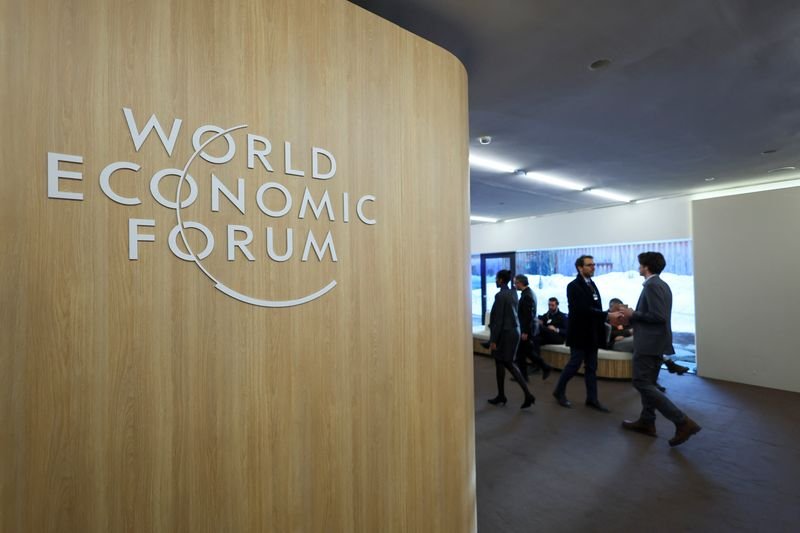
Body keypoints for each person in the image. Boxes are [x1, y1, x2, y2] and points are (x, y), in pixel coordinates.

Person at [617, 252, 701, 447]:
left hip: (648, 343)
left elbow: (658, 316)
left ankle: (682, 421)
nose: (638, 267)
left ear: (646, 266)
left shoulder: (653, 285)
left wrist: (632, 313)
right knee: (649, 383)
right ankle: (647, 421)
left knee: (640, 382)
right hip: (656, 342)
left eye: (640, 264)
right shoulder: (661, 284)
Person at [551, 255, 610, 412]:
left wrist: (606, 315)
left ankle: (592, 398)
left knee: (591, 367)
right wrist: (606, 315)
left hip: (592, 333)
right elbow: (582, 310)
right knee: (574, 364)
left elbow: (595, 306)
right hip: (579, 333)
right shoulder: (573, 286)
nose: (593, 267)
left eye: (593, 264)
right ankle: (559, 391)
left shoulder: (592, 284)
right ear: (579, 267)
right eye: (589, 265)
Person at [487, 270, 536, 409]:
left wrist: (494, 340)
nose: (495, 281)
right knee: (500, 362)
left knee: (507, 363)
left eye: (496, 279)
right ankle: (501, 395)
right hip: (514, 332)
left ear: (501, 280)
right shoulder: (513, 293)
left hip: (505, 334)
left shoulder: (500, 295)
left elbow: (498, 320)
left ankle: (528, 395)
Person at [513, 275, 552, 382]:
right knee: (526, 353)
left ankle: (527, 375)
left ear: (520, 283)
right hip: (528, 329)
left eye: (515, 283)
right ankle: (529, 374)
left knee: (522, 354)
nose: (514, 285)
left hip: (526, 330)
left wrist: (525, 331)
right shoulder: (529, 293)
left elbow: (527, 316)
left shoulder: (527, 296)